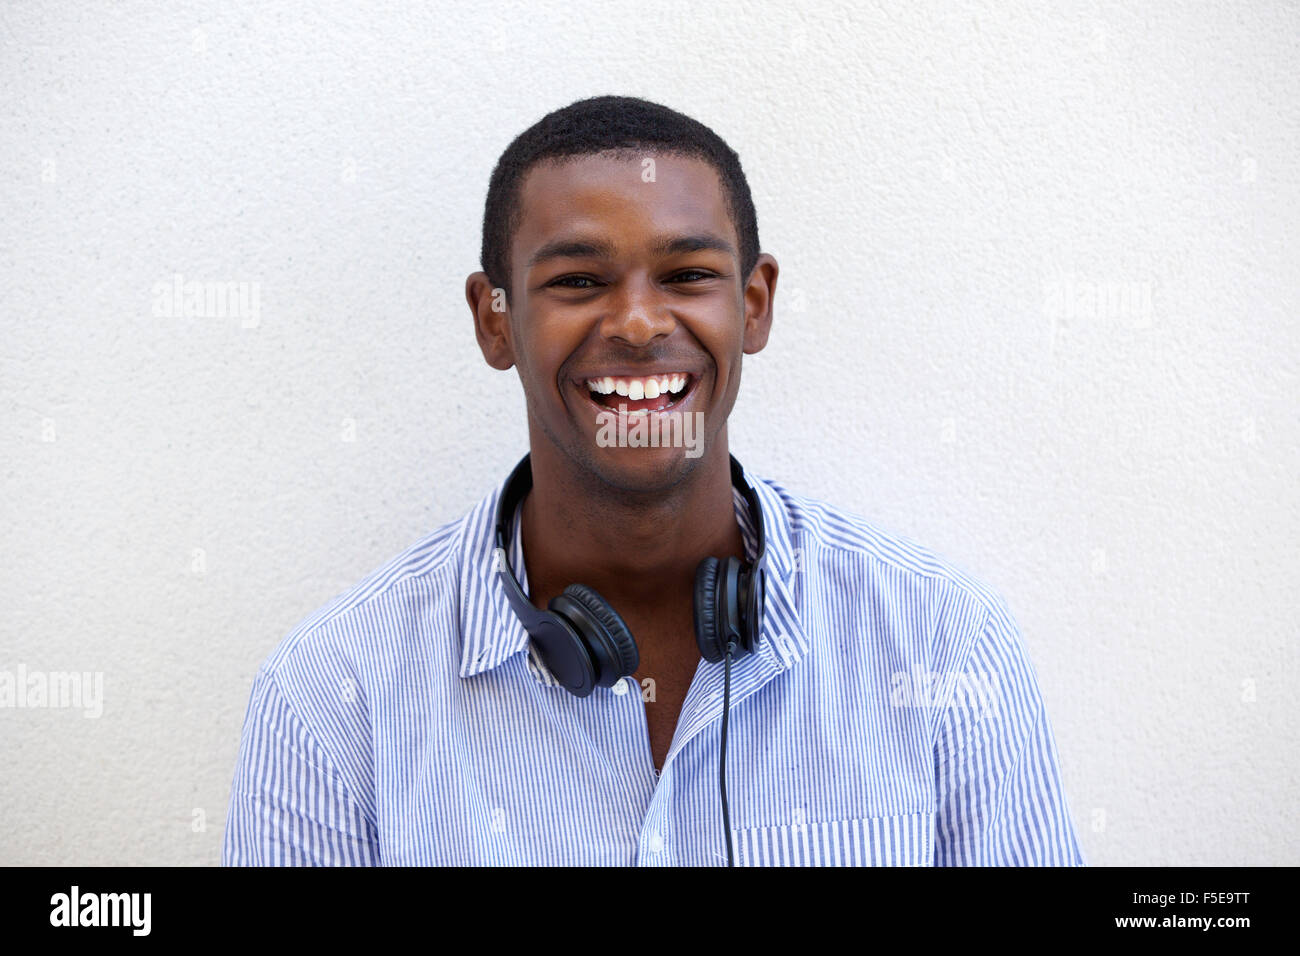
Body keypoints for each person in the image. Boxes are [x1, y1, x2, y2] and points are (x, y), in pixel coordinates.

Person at [222, 95, 1086, 866]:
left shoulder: (943, 643)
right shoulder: (331, 696)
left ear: (753, 305)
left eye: (686, 276)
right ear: (496, 322)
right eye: (578, 281)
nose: (637, 324)